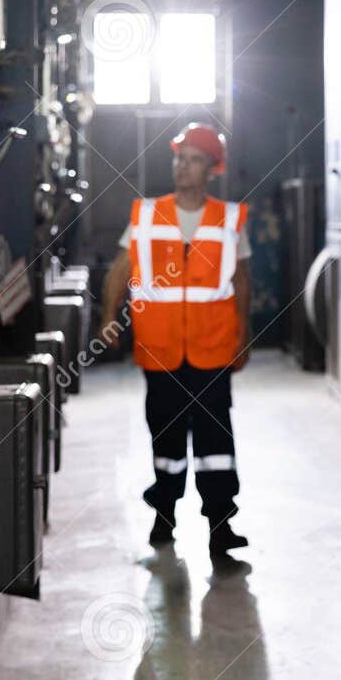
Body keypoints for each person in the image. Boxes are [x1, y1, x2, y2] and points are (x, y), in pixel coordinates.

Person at [101, 122, 252, 557]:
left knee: (215, 440)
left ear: (212, 169)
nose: (182, 166)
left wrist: (245, 334)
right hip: (160, 347)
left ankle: (221, 526)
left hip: (212, 346)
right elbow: (120, 269)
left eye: (193, 160)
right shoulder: (148, 214)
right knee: (165, 436)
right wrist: (108, 316)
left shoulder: (227, 219)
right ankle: (163, 515)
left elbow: (241, 280)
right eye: (179, 158)